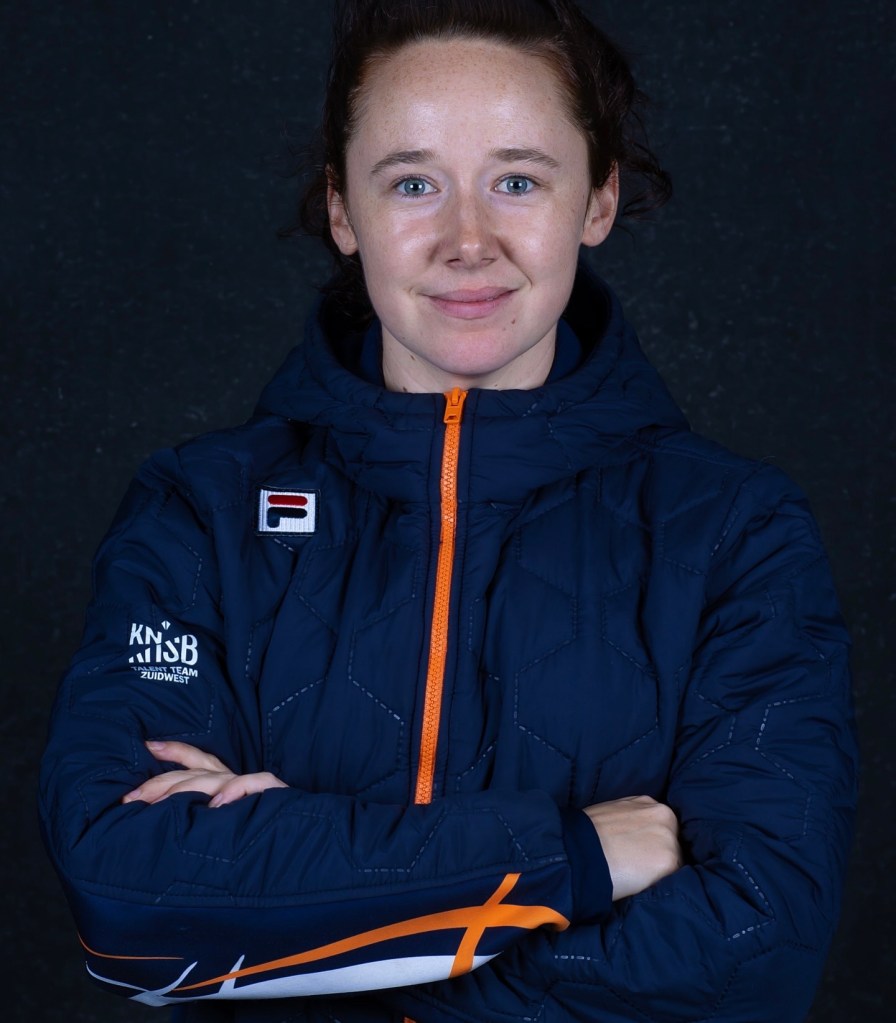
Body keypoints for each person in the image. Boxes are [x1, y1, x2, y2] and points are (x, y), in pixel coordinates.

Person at [39, 1, 857, 1021]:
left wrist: (294, 920)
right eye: (413, 183)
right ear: (343, 211)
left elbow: (752, 954)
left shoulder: (736, 534)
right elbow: (127, 900)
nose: (468, 241)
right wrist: (570, 859)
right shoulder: (200, 513)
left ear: (597, 200)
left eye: (517, 181)